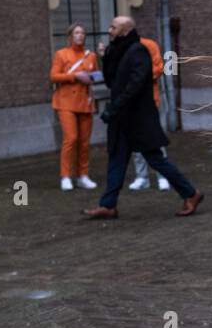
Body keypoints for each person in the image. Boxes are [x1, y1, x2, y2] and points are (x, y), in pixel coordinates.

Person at [81, 15, 203, 219]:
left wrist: (114, 107)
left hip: (138, 120)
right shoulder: (118, 50)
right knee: (116, 159)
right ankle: (108, 205)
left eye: (113, 27)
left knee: (156, 159)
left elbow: (135, 85)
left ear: (125, 31)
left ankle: (191, 193)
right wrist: (106, 56)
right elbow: (112, 82)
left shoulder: (138, 51)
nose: (109, 30)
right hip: (122, 119)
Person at [49, 23, 99, 191]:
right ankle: (65, 176)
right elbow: (54, 76)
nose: (80, 36)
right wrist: (75, 76)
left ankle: (83, 176)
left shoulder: (91, 56)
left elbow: (95, 77)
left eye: (83, 33)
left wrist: (91, 79)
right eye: (77, 33)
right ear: (70, 36)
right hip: (66, 102)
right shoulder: (61, 54)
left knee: (84, 141)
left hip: (85, 102)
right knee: (71, 138)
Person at [129, 35, 172, 192]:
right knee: (136, 141)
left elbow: (159, 67)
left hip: (152, 101)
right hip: (133, 103)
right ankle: (142, 177)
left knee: (157, 139)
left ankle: (162, 176)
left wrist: (140, 76)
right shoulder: (121, 48)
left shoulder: (149, 44)